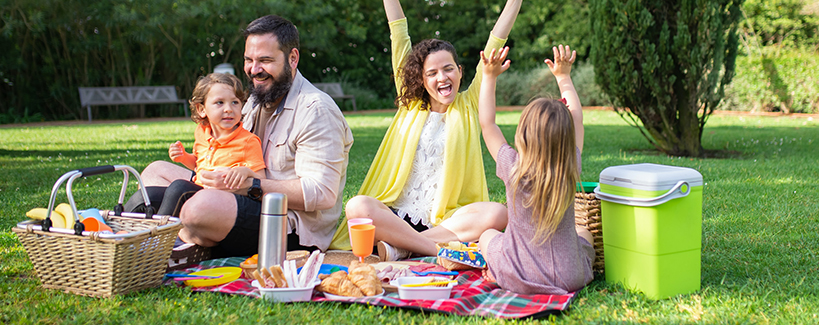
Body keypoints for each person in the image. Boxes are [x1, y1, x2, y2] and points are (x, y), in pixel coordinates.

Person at [129, 15, 353, 261]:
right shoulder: (255, 100)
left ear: (292, 58)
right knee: (154, 172)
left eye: (265, 60)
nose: (254, 70)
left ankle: (177, 242)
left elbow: (322, 194)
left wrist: (250, 186)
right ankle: (187, 237)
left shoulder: (316, 109)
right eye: (249, 60)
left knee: (197, 208)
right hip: (235, 195)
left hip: (287, 224)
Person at [343, 0, 522, 261]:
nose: (442, 77)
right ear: (421, 79)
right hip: (396, 215)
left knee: (498, 213)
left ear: (460, 72)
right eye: (432, 73)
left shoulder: (470, 104)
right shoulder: (410, 104)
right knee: (357, 206)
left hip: (446, 222)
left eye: (448, 69)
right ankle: (437, 250)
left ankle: (402, 248)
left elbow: (496, 41)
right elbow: (399, 32)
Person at [477, 45, 594, 294]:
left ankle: (494, 271)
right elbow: (577, 119)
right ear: (566, 138)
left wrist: (489, 77)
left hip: (516, 274)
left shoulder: (513, 167)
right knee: (584, 232)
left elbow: (487, 125)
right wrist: (563, 77)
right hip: (569, 276)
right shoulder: (569, 164)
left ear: (523, 134)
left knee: (487, 235)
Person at [141, 73, 266, 218]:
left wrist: (245, 172)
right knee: (150, 194)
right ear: (201, 109)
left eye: (235, 102)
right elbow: (198, 164)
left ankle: (158, 235)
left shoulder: (248, 141)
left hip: (223, 201)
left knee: (179, 188)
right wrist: (183, 157)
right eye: (220, 102)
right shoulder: (202, 132)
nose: (229, 109)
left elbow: (261, 178)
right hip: (199, 189)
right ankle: (123, 229)